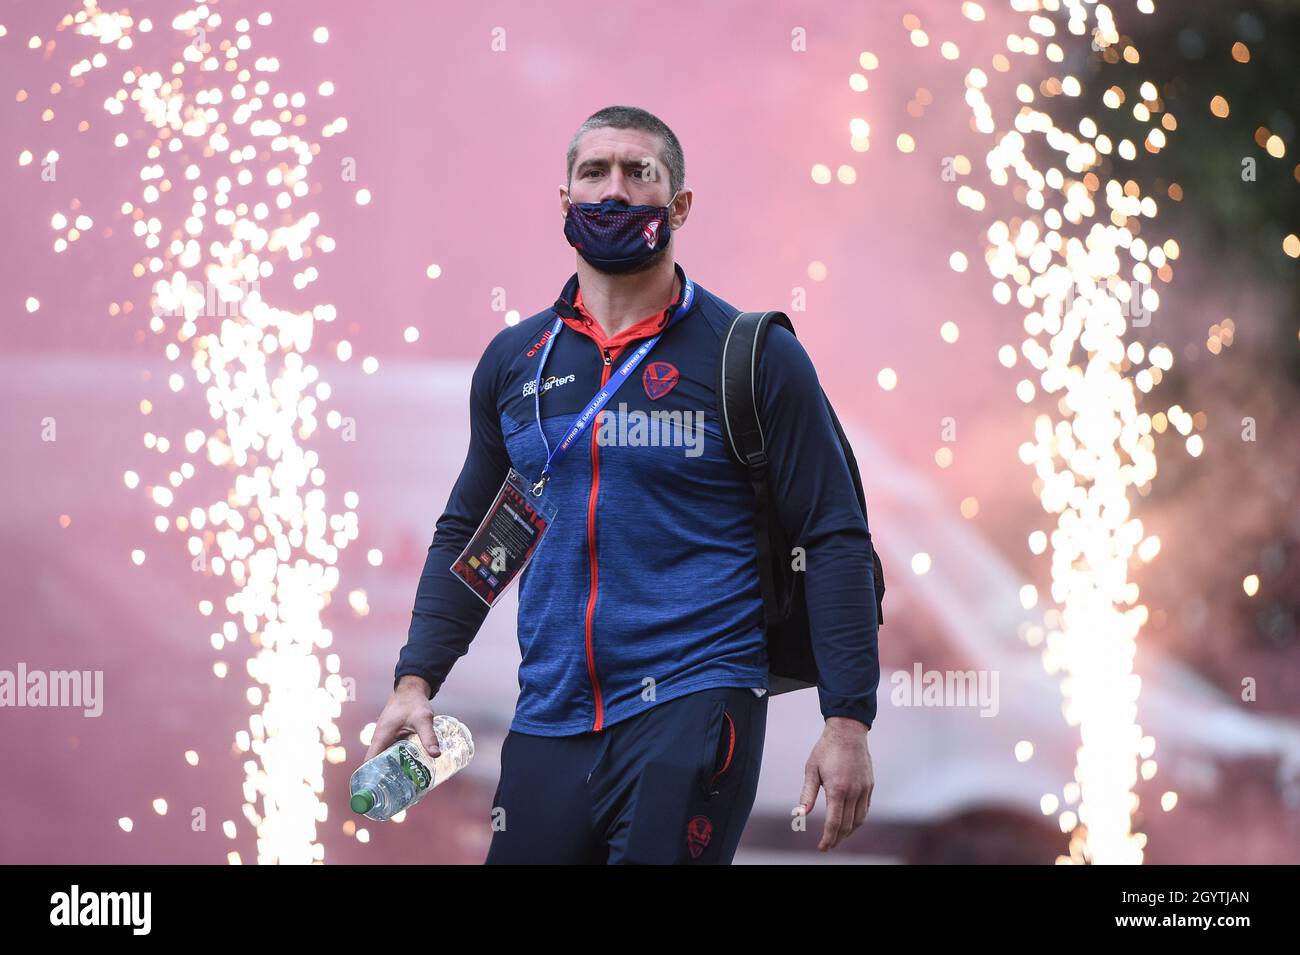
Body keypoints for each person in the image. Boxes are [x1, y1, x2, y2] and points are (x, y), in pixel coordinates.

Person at [365, 105, 879, 864]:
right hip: (549, 715)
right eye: (594, 172)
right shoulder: (517, 361)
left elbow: (833, 536)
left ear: (678, 205)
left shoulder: (753, 355)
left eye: (640, 172)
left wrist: (847, 720)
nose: (615, 190)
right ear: (565, 199)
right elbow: (471, 537)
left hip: (694, 700)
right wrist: (416, 679)